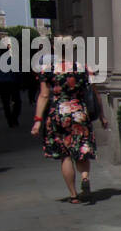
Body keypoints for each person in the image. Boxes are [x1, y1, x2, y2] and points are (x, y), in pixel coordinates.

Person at [30, 37, 104, 203]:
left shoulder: (48, 70)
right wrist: (102, 116)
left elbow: (44, 95)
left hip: (59, 114)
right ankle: (85, 177)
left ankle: (73, 195)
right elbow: (95, 94)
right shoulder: (84, 68)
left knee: (65, 155)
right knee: (81, 147)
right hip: (79, 111)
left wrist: (37, 120)